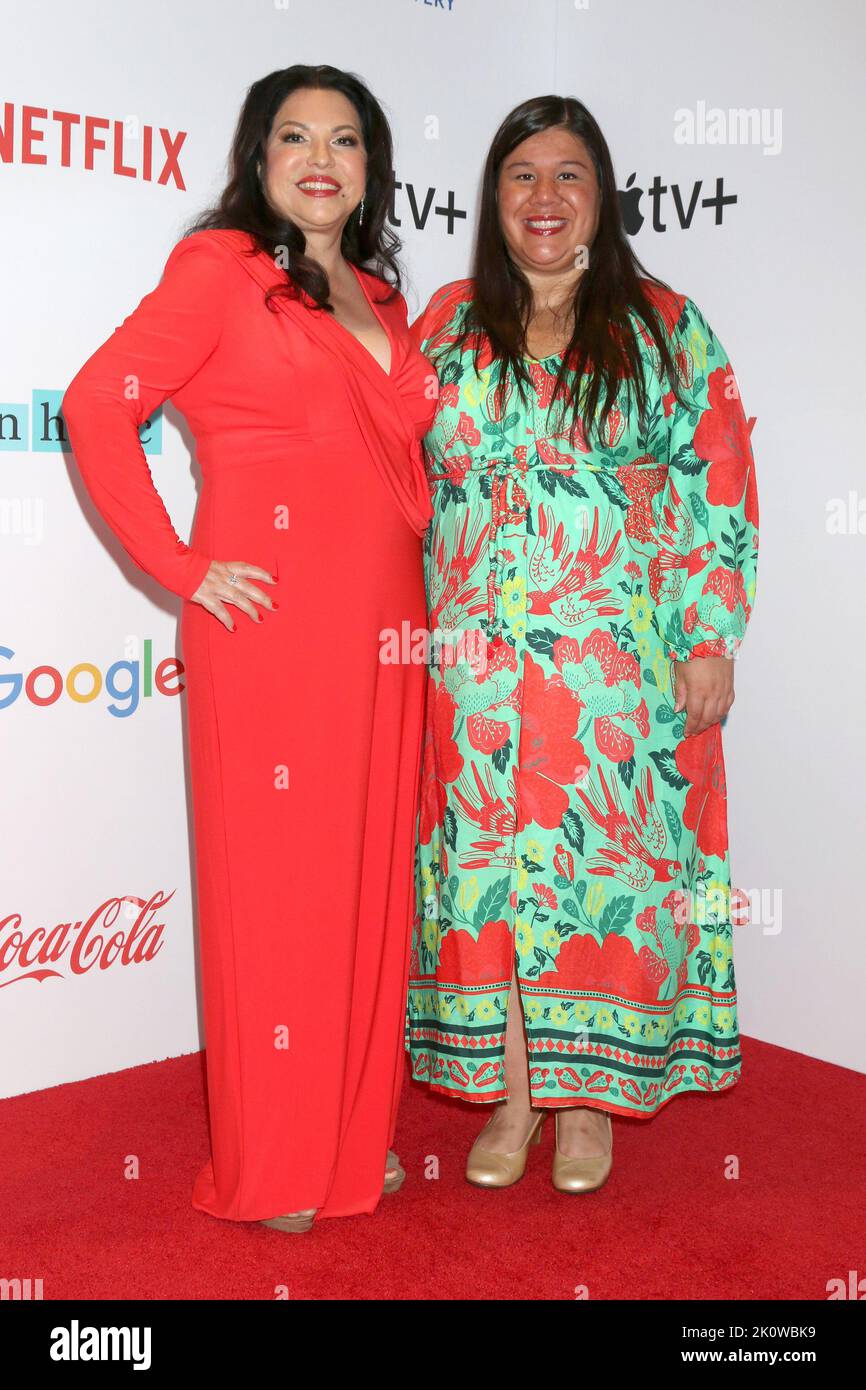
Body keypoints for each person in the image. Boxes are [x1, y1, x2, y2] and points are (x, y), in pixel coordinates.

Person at [63, 65, 437, 1232]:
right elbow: (93, 403)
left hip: (386, 627)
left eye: (345, 140)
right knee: (280, 894)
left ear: (372, 169)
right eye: (294, 136)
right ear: (256, 155)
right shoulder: (220, 272)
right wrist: (178, 566)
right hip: (272, 629)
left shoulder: (377, 292)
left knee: (372, 882)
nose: (319, 158)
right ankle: (279, 1164)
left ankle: (345, 1141)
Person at [406, 95, 758, 1193]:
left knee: (604, 878)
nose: (543, 197)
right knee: (494, 887)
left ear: (601, 195)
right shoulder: (447, 322)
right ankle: (514, 1092)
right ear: (492, 198)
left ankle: (589, 1104)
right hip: (473, 676)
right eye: (520, 174)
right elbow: (387, 472)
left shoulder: (664, 323)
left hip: (615, 674)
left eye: (567, 175)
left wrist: (707, 636)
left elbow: (716, 479)